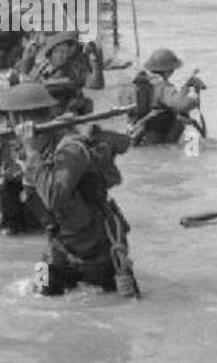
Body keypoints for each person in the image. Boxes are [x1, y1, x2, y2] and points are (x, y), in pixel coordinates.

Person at [15, 82, 137, 296]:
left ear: (21, 120)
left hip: (98, 249)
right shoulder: (37, 146)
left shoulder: (71, 147)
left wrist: (31, 152)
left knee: (126, 299)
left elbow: (55, 197)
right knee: (36, 291)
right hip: (58, 247)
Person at [126, 48, 204, 145]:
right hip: (159, 140)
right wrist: (194, 98)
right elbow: (181, 105)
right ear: (169, 70)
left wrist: (186, 87)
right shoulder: (162, 87)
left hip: (138, 136)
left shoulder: (138, 85)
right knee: (192, 139)